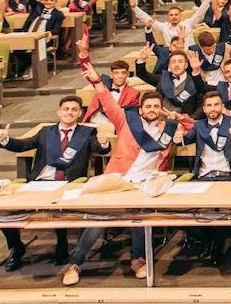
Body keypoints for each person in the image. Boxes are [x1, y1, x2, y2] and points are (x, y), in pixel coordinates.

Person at [61, 67, 190, 286]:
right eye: (147, 106)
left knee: (138, 217)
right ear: (140, 109)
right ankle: (75, 263)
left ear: (161, 109)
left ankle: (137, 259)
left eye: (156, 107)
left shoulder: (167, 127)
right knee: (99, 220)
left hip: (146, 183)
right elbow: (108, 103)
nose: (151, 110)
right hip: (118, 180)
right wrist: (97, 82)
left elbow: (191, 124)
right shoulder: (127, 122)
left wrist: (174, 116)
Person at [0, 96, 109, 270]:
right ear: (59, 112)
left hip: (68, 184)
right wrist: (5, 139)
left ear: (79, 113)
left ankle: (62, 243)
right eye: (66, 109)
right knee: (4, 212)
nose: (69, 112)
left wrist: (104, 143)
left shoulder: (87, 133)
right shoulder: (46, 132)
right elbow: (23, 145)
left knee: (58, 208)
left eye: (74, 110)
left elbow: (100, 149)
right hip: (39, 184)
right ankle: (16, 247)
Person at [177, 92, 231, 265]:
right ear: (204, 109)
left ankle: (216, 250)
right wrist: (177, 138)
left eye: (216, 104)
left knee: (226, 212)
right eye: (209, 105)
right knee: (179, 211)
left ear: (222, 106)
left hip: (227, 177)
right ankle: (209, 239)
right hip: (203, 178)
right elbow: (182, 140)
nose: (213, 108)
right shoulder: (199, 126)